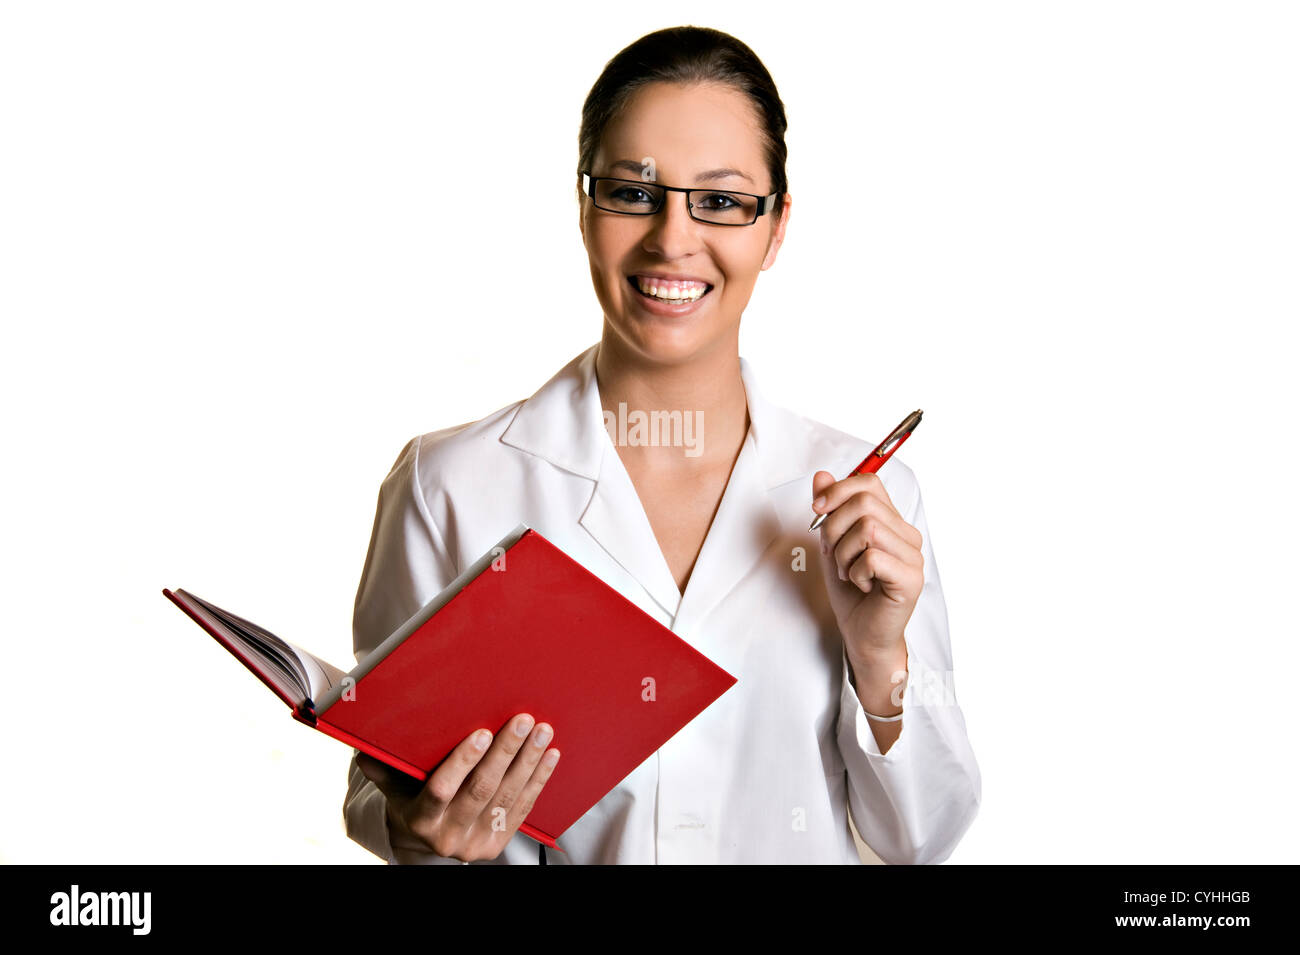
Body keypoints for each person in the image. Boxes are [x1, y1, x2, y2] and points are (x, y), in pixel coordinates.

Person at [344, 25, 981, 864]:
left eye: (720, 200)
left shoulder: (873, 499)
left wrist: (878, 654)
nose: (672, 239)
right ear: (584, 205)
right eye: (634, 193)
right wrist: (418, 833)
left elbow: (924, 835)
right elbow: (376, 780)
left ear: (777, 227)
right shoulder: (451, 485)